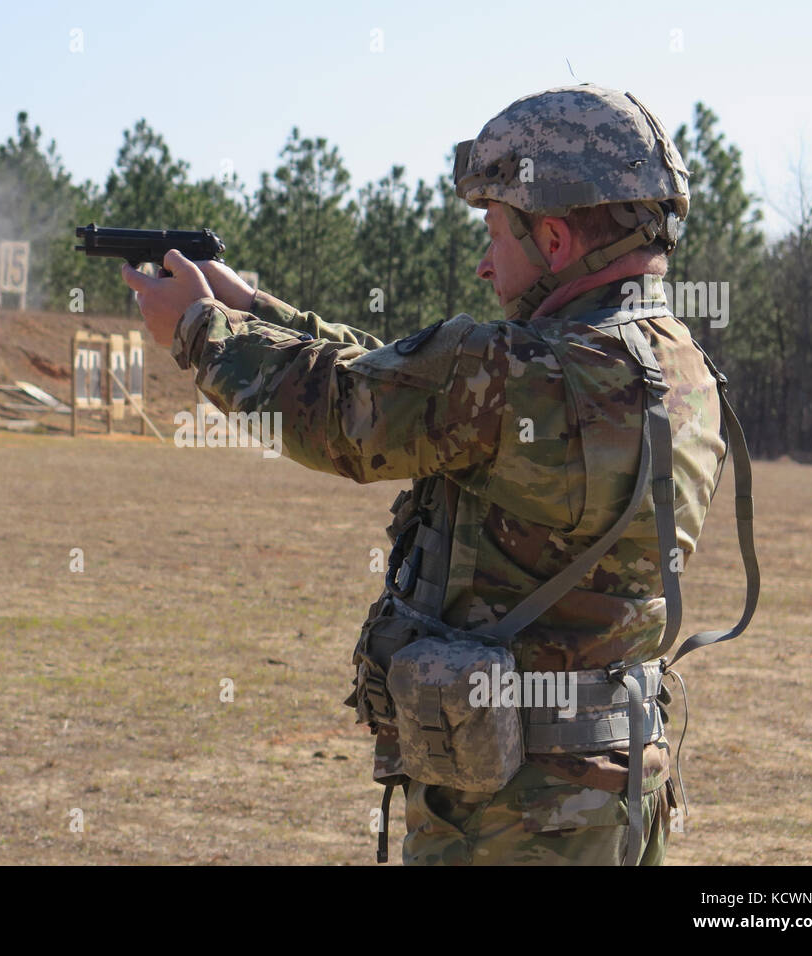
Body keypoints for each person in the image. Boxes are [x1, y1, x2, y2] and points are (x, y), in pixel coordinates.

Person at [120, 83, 756, 866]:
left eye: (496, 231)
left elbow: (346, 410)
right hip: (618, 790)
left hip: (503, 815)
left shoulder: (510, 372)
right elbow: (412, 385)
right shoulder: (681, 368)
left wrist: (198, 331)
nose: (487, 265)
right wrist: (251, 304)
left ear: (555, 240)